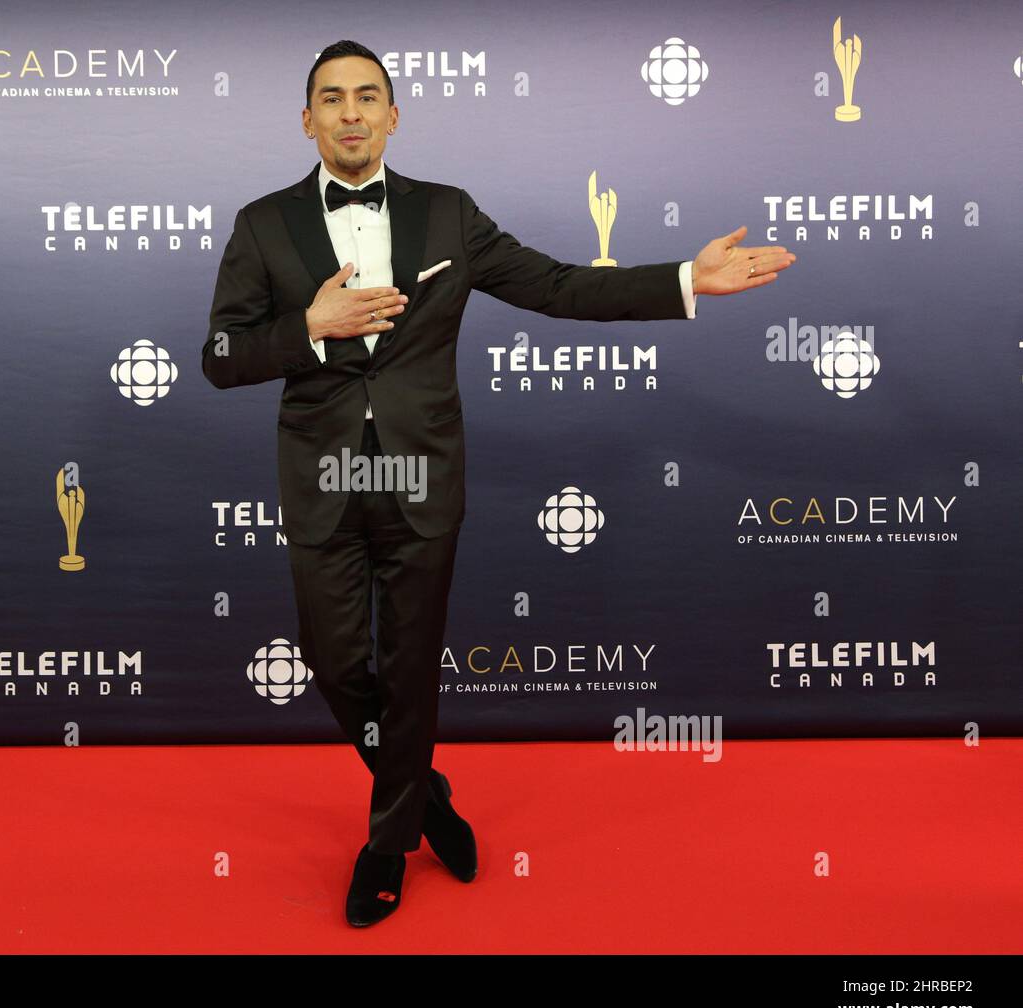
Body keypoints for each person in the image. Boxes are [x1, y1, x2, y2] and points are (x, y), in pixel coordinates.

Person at [201, 40, 796, 927]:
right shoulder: (262, 224)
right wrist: (310, 327)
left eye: (369, 97)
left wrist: (684, 280)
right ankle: (427, 795)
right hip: (324, 474)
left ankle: (389, 843)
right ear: (308, 119)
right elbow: (219, 358)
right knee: (333, 662)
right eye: (333, 99)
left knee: (409, 666)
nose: (352, 113)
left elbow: (557, 286)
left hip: (423, 476)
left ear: (394, 115)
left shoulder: (448, 215)